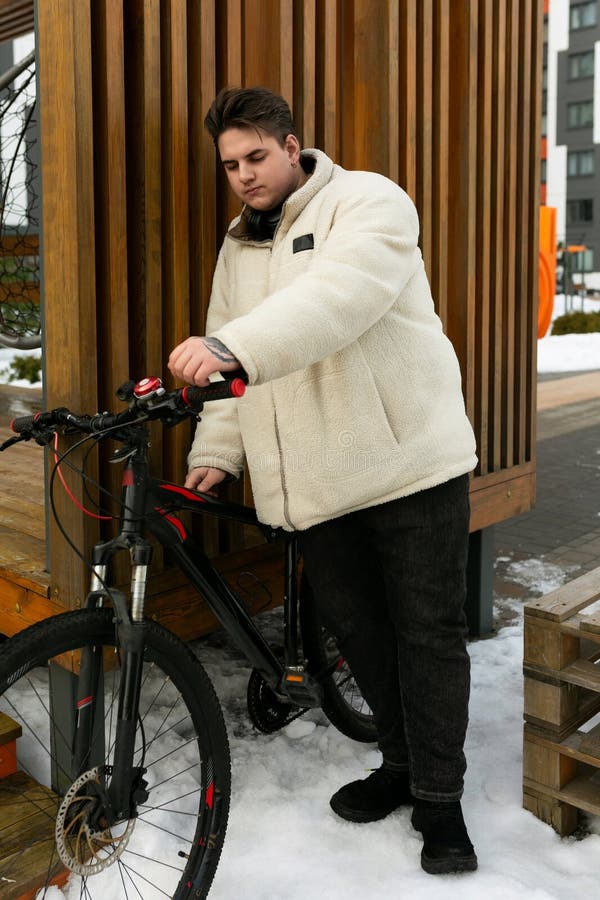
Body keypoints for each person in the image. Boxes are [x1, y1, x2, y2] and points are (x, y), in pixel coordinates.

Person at [168, 86, 479, 876]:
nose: (242, 175)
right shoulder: (238, 247)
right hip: (318, 487)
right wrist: (218, 450)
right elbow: (237, 373)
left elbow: (335, 303)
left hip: (409, 466)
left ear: (292, 143)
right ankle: (402, 769)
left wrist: (231, 346)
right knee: (366, 639)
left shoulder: (368, 202)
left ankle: (442, 804)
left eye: (255, 156)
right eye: (230, 164)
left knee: (428, 636)